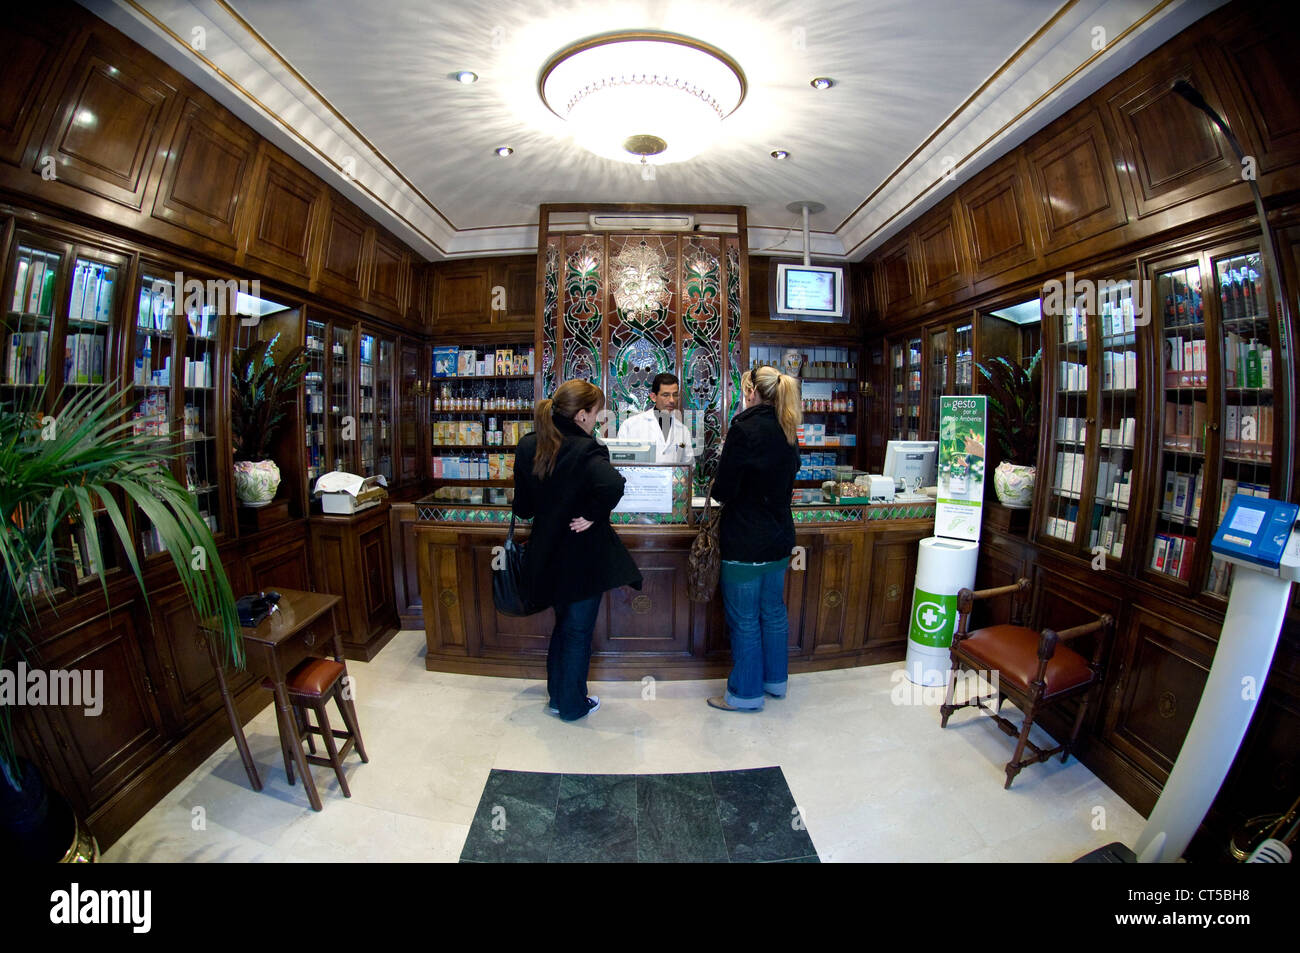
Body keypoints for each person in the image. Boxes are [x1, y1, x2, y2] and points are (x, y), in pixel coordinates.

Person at [513, 379, 643, 721]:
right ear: (582, 415)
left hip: (546, 554)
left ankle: (558, 696)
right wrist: (590, 514)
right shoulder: (586, 449)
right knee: (577, 631)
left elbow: (523, 508)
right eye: (596, 414)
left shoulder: (529, 446)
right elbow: (614, 484)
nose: (597, 421)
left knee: (562, 626)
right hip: (582, 555)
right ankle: (572, 704)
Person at [707, 366, 802, 712]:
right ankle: (775, 682)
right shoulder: (787, 426)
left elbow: (723, 490)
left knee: (744, 618)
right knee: (773, 612)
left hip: (745, 538)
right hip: (779, 537)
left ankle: (745, 694)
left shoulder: (744, 428)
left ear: (751, 392)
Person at [616, 372, 694, 463]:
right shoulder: (630, 425)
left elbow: (688, 464)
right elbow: (620, 462)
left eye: (675, 395)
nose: (672, 400)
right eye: (666, 395)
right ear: (653, 397)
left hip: (671, 478)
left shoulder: (683, 430)